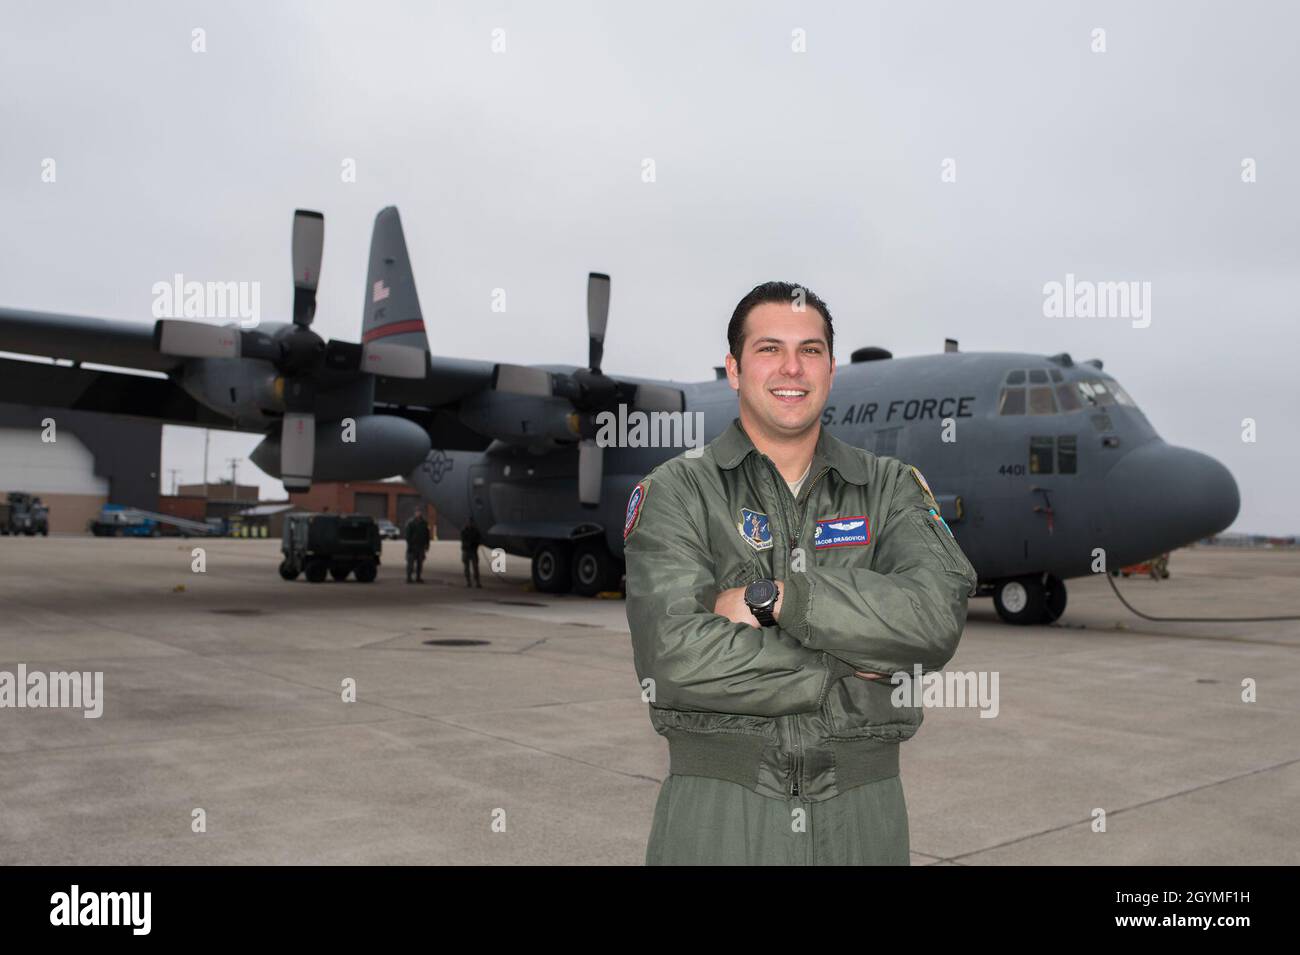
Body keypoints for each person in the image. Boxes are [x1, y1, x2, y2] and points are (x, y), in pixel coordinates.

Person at [623, 281, 978, 865]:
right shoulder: (676, 491)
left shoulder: (889, 488)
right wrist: (850, 664)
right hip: (717, 815)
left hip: (862, 815)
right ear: (734, 369)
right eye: (769, 349)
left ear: (831, 369)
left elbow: (934, 620)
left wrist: (781, 602)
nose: (792, 367)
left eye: (810, 350)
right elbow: (672, 659)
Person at [403, 510, 431, 583]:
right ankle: (409, 578)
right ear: (414, 513)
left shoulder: (424, 523)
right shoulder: (411, 523)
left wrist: (427, 545)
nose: (418, 514)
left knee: (420, 563)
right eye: (417, 512)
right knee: (410, 563)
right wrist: (409, 544)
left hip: (421, 547)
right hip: (412, 546)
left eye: (419, 512)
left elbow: (427, 535)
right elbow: (407, 535)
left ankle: (418, 577)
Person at [460, 519, 482, 588]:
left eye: (471, 523)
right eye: (469, 523)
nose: (470, 524)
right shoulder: (464, 531)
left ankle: (477, 582)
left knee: (475, 567)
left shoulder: (476, 531)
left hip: (473, 551)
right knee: (466, 567)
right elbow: (463, 539)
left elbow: (479, 540)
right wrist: (468, 544)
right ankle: (468, 582)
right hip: (466, 550)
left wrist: (474, 544)